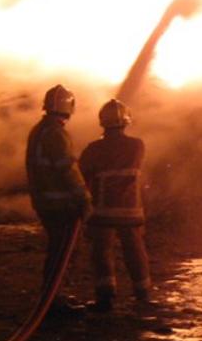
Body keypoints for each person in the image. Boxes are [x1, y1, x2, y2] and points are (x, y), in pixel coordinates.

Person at [78, 98, 152, 312]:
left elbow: (82, 175)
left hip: (102, 210)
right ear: (126, 122)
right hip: (131, 210)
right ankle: (143, 294)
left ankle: (105, 296)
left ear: (102, 122)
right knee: (135, 250)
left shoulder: (94, 149)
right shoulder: (137, 145)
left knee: (101, 250)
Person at [26, 84, 90, 315]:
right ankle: (54, 300)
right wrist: (83, 196)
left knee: (58, 250)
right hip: (60, 205)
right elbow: (67, 168)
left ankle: (53, 297)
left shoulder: (40, 130)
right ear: (68, 107)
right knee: (64, 252)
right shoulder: (55, 133)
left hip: (46, 202)